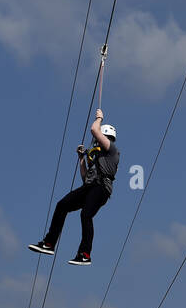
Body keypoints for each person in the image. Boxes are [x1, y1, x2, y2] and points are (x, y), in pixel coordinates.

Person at [29, 109, 119, 266]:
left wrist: (99, 118)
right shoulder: (97, 157)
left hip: (101, 188)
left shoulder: (112, 151)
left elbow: (94, 130)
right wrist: (81, 159)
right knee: (62, 205)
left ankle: (85, 254)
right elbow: (85, 178)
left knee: (86, 215)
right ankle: (49, 243)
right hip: (90, 187)